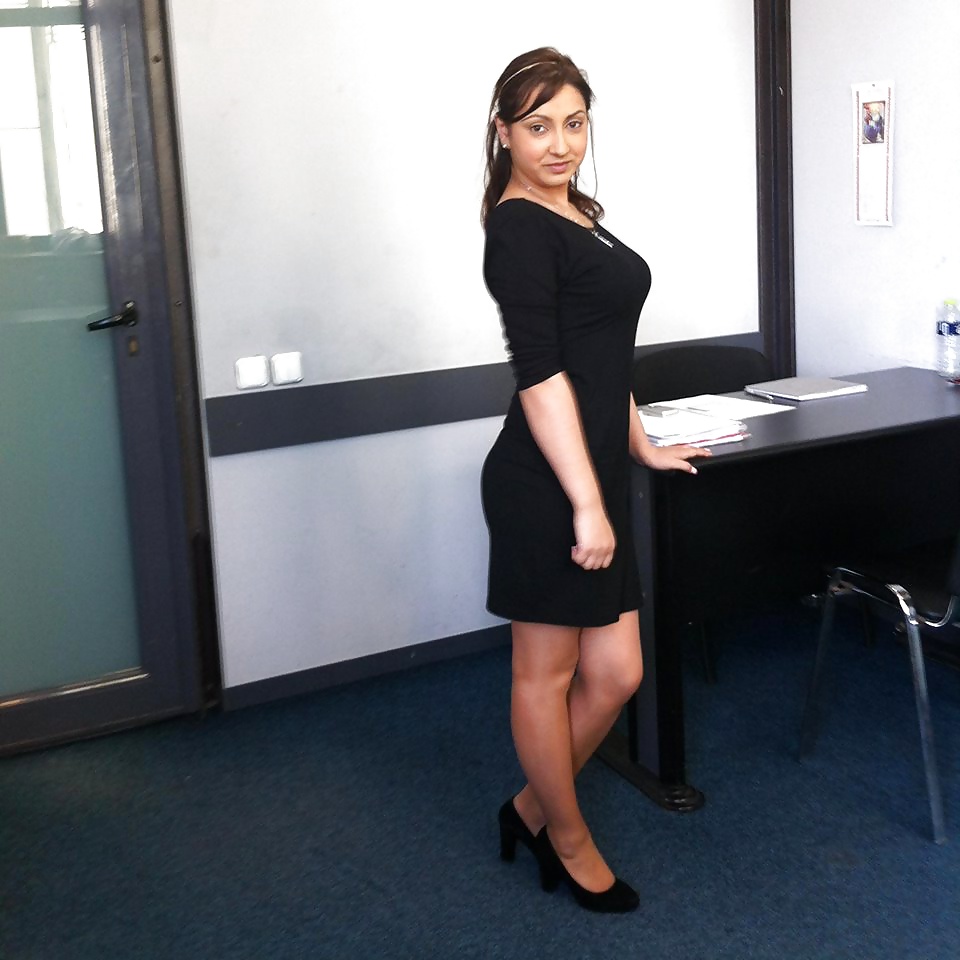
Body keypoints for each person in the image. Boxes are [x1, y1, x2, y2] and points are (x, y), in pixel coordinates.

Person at [480, 47, 710, 914]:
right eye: (538, 126)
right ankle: (567, 839)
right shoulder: (517, 227)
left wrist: (641, 446)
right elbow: (543, 378)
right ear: (503, 133)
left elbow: (603, 360)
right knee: (545, 674)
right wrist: (585, 503)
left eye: (574, 123)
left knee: (615, 673)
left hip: (595, 472)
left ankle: (529, 809)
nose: (560, 143)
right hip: (544, 484)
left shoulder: (576, 212)